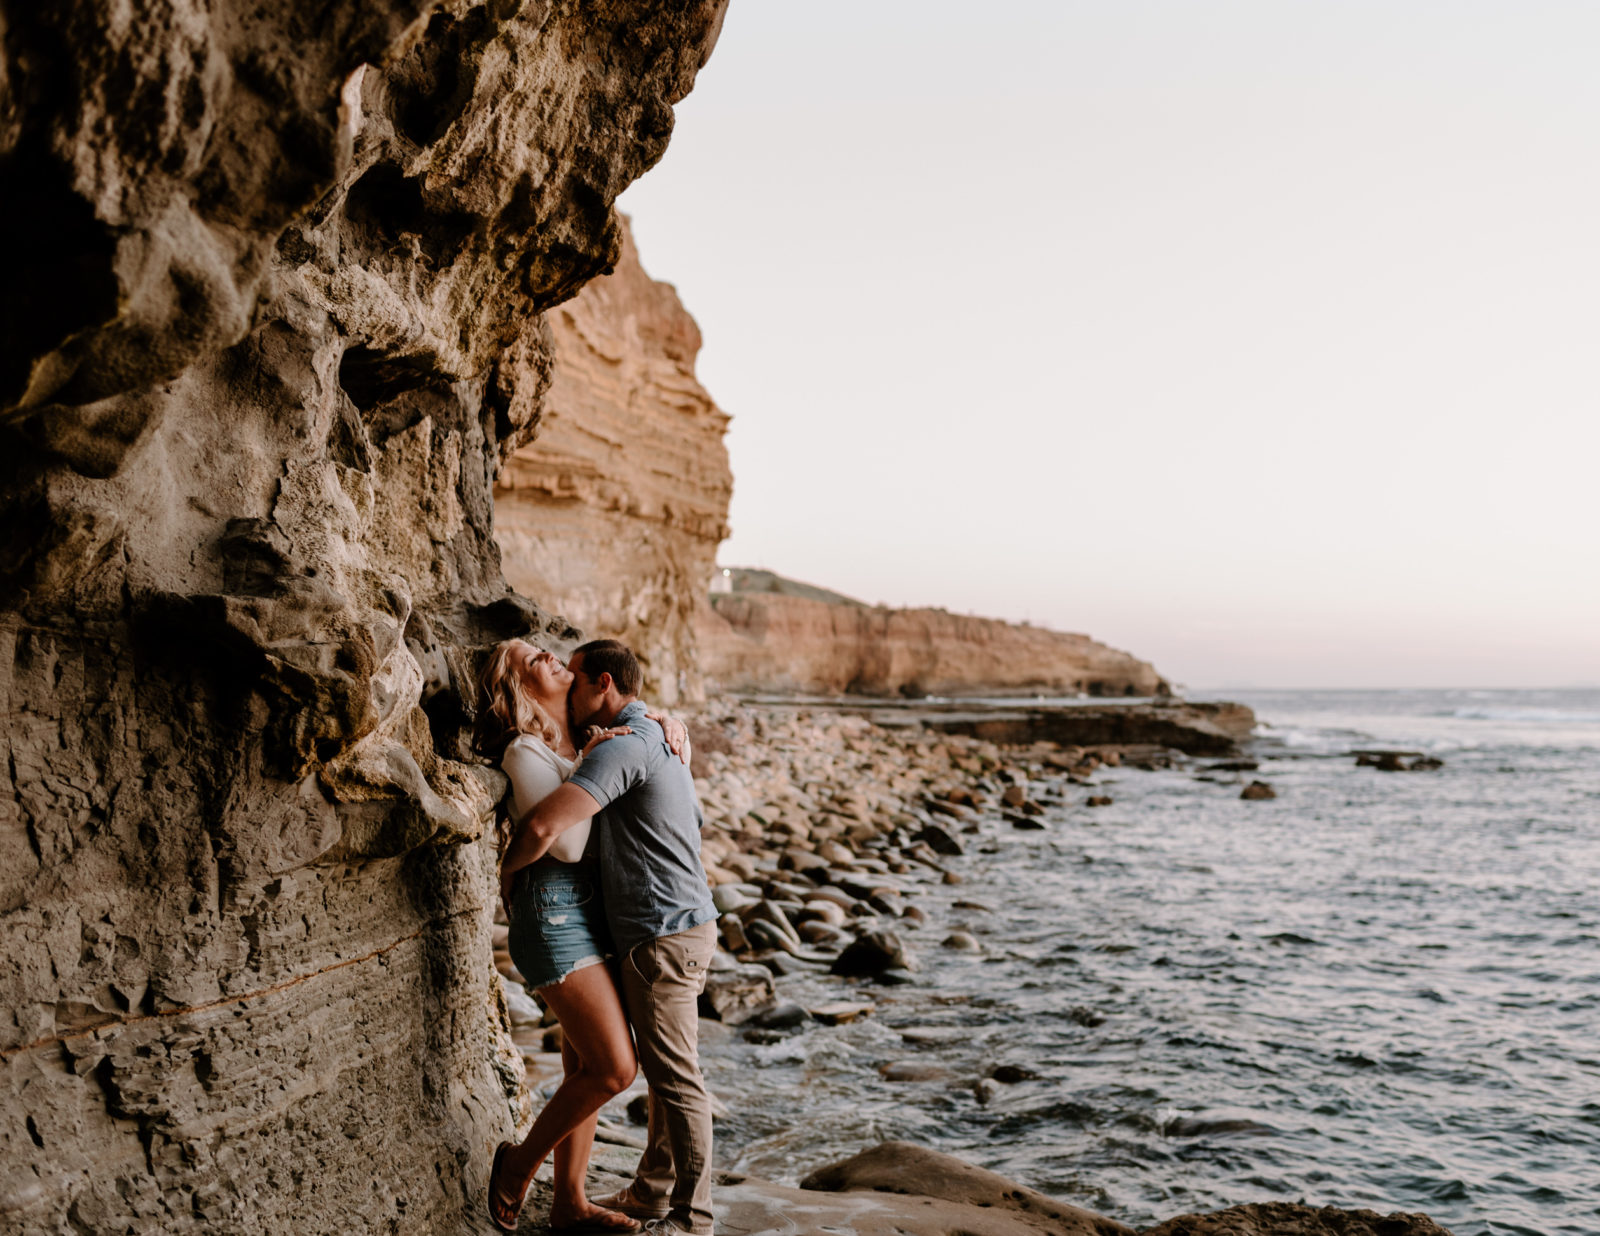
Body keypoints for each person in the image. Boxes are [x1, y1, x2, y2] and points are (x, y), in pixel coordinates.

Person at [500, 639, 719, 1236]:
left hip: (657, 929)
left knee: (663, 1076)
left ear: (600, 685)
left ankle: (688, 1217)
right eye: (544, 665)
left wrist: (507, 876)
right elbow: (688, 819)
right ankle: (643, 1195)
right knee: (639, 1068)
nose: (560, 674)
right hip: (642, 925)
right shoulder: (623, 737)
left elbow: (556, 827)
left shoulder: (623, 742)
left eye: (571, 671)